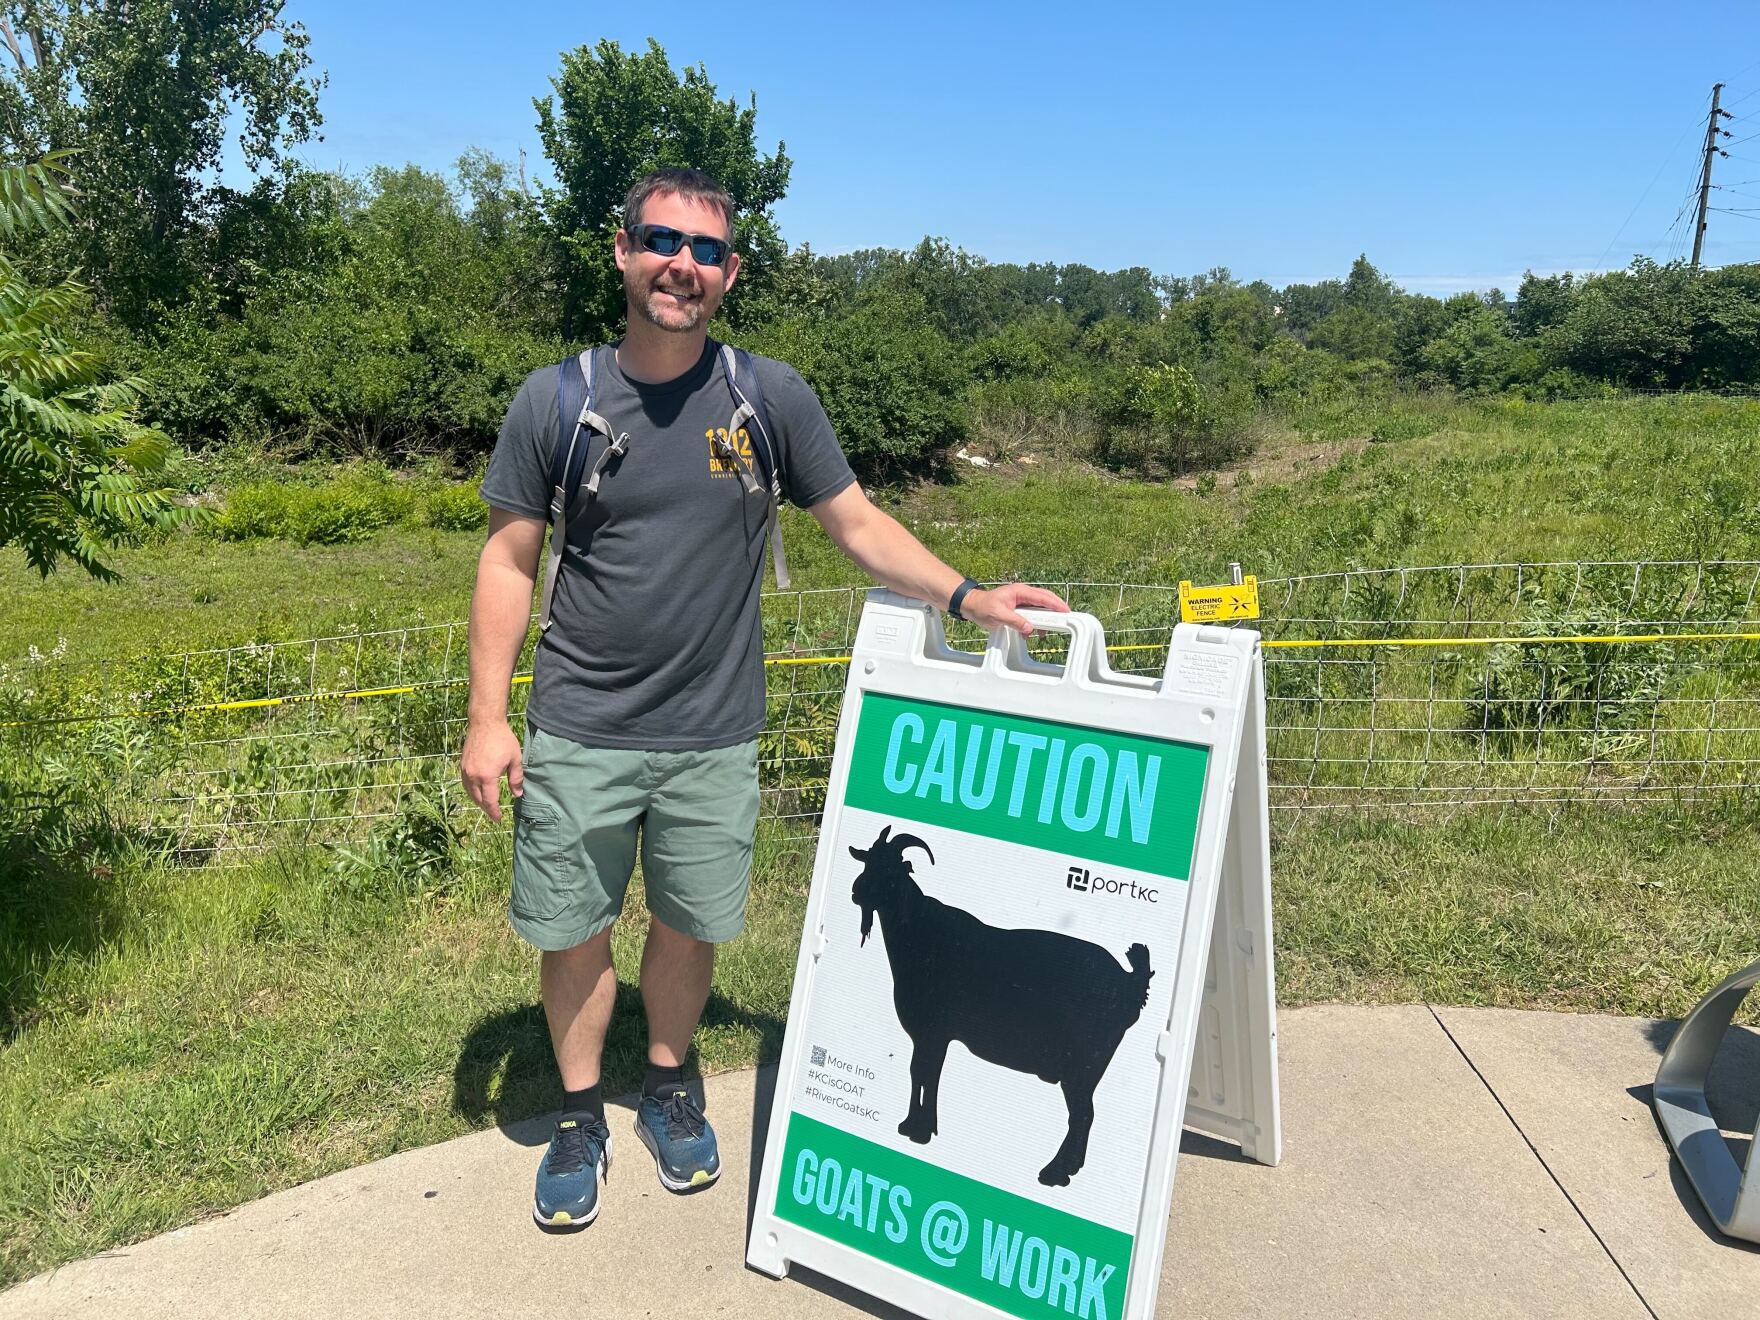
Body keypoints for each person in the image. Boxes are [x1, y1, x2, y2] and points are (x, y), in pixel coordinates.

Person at [460, 167, 1067, 1231]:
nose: (681, 267)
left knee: (688, 926)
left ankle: (667, 1082)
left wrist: (968, 596)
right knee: (573, 932)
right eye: (661, 241)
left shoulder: (768, 398)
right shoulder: (556, 400)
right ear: (623, 250)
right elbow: (508, 561)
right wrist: (486, 717)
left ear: (730, 273)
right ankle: (578, 1116)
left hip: (712, 732)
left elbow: (857, 524)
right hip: (580, 725)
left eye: (705, 252)